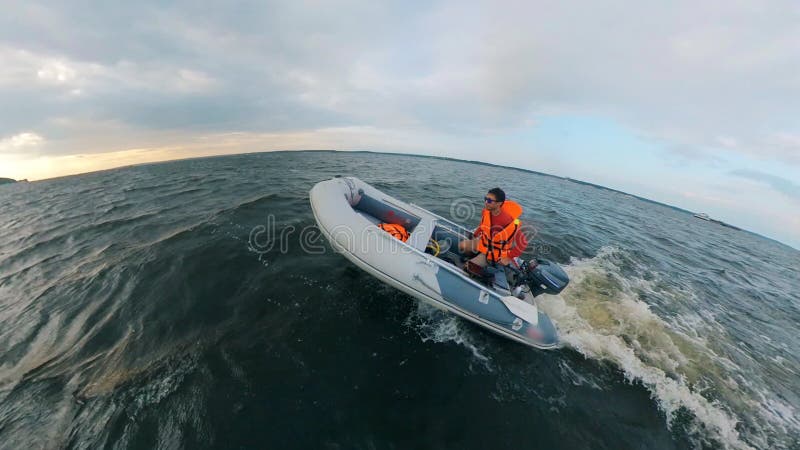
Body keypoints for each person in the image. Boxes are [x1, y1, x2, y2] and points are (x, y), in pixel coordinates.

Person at [458, 187, 528, 267]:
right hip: (484, 243)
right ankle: (471, 257)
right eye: (485, 199)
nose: (486, 202)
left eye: (489, 200)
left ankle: (476, 263)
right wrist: (475, 235)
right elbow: (482, 226)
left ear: (499, 203)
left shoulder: (507, 221)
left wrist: (508, 258)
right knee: (462, 245)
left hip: (495, 253)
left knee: (468, 267)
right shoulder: (486, 212)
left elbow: (523, 242)